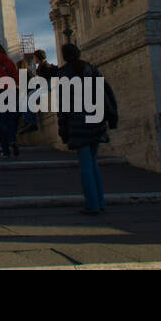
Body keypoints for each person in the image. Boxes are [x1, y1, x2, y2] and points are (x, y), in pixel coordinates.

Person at [57, 42, 118, 215]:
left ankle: (91, 204)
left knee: (85, 165)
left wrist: (63, 129)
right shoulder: (91, 69)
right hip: (95, 119)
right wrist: (111, 116)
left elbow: (63, 106)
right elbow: (106, 92)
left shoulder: (64, 74)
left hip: (77, 123)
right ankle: (100, 200)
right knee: (93, 163)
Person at [0, 42, 20, 158]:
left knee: (0, 122)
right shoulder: (9, 62)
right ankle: (12, 140)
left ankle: (5, 151)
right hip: (10, 92)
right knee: (10, 119)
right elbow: (16, 78)